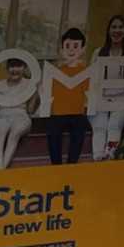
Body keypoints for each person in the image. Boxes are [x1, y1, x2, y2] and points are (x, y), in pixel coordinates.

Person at [88, 14, 124, 161]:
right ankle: (98, 156)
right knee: (99, 126)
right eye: (114, 27)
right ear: (108, 30)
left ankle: (109, 154)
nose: (117, 31)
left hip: (123, 98)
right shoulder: (98, 53)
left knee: (114, 125)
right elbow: (91, 79)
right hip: (101, 97)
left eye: (121, 27)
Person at [44, 27, 93, 166]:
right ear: (61, 49)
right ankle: (56, 166)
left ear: (82, 49)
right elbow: (49, 93)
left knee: (79, 130)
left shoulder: (86, 71)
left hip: (77, 113)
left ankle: (72, 164)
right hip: (58, 113)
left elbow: (89, 94)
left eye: (76, 46)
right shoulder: (56, 71)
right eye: (67, 46)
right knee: (53, 131)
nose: (71, 50)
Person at [0, 55, 40, 170]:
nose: (15, 69)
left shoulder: (29, 84)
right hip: (2, 116)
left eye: (18, 66)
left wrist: (36, 92)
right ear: (7, 68)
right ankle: (1, 170)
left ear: (24, 67)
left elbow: (30, 110)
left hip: (21, 116)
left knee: (14, 134)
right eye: (12, 66)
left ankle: (0, 171)